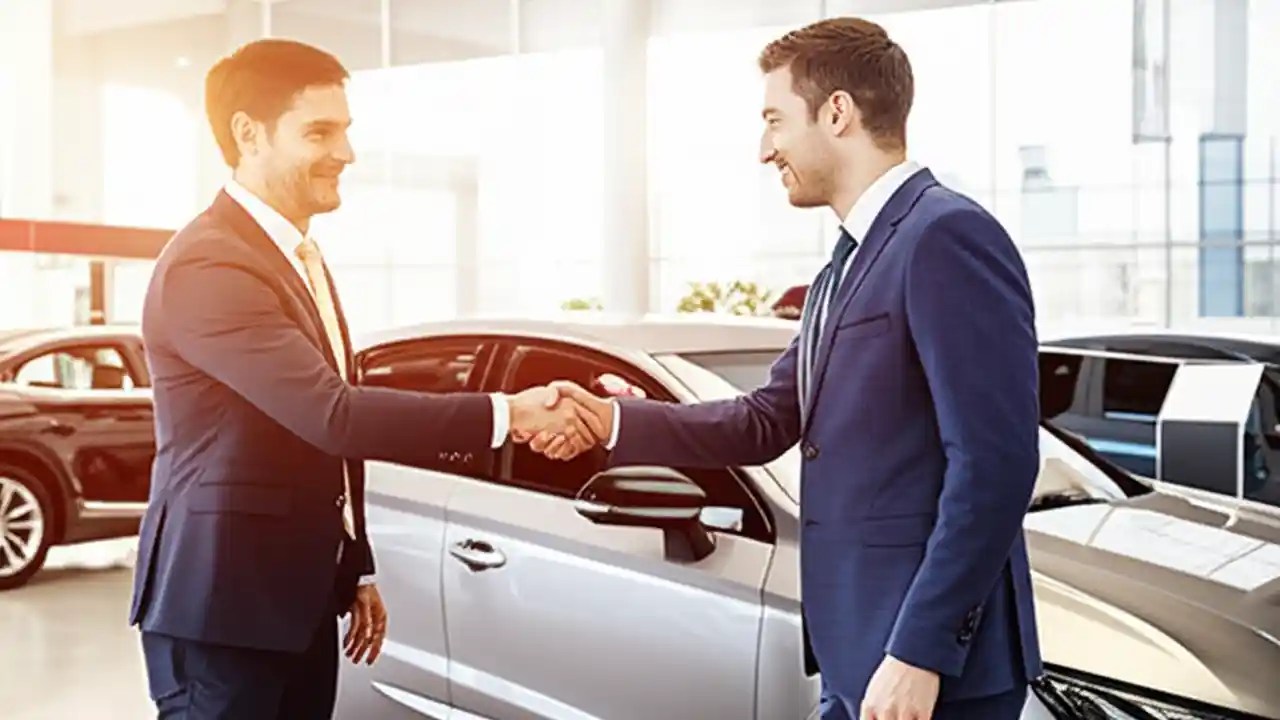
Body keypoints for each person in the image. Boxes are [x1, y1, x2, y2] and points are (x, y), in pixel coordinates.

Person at [534, 17, 1043, 720]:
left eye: (775, 119)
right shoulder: (848, 261)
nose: (763, 148)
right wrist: (608, 420)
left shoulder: (944, 236)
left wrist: (921, 651)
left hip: (928, 670)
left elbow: (995, 464)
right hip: (858, 647)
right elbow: (766, 418)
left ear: (837, 112)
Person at [128, 38, 600, 719]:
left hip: (292, 601)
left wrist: (354, 566)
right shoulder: (211, 266)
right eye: (319, 132)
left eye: (345, 130)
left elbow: (316, 446)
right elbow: (333, 414)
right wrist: (513, 414)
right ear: (247, 135)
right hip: (222, 610)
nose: (345, 153)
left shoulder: (292, 256)